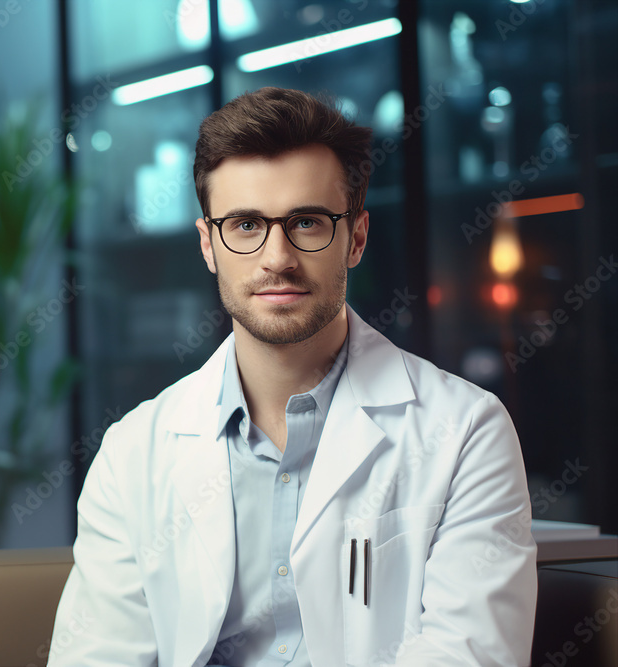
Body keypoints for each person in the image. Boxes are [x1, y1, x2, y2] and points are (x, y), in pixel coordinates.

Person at [48, 87, 536, 667]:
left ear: (355, 237)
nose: (276, 257)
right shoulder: (133, 452)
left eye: (306, 222)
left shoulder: (466, 432)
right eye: (246, 224)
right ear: (209, 245)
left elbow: (470, 658)